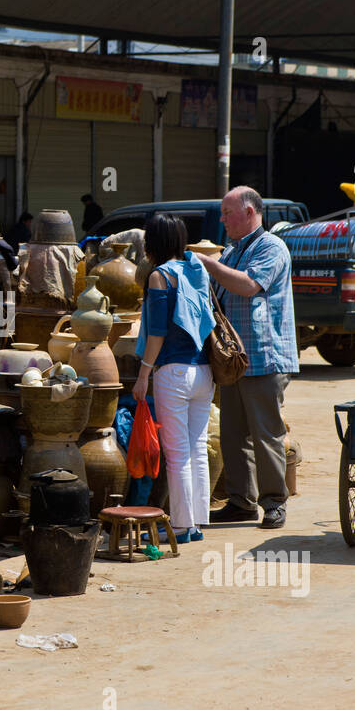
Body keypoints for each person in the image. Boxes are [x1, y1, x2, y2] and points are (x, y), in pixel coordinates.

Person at [195, 186, 298, 529]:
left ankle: (274, 503)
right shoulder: (233, 251)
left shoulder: (271, 247)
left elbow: (249, 286)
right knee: (233, 434)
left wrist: (207, 263)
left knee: (265, 434)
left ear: (250, 213)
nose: (222, 219)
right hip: (236, 360)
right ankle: (241, 502)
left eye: (227, 212)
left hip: (264, 358)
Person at [132, 213, 216, 542]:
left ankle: (181, 526)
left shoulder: (159, 277)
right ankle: (195, 524)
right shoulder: (196, 270)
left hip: (173, 372)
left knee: (178, 453)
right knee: (197, 448)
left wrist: (143, 375)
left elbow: (156, 334)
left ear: (153, 241)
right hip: (204, 372)